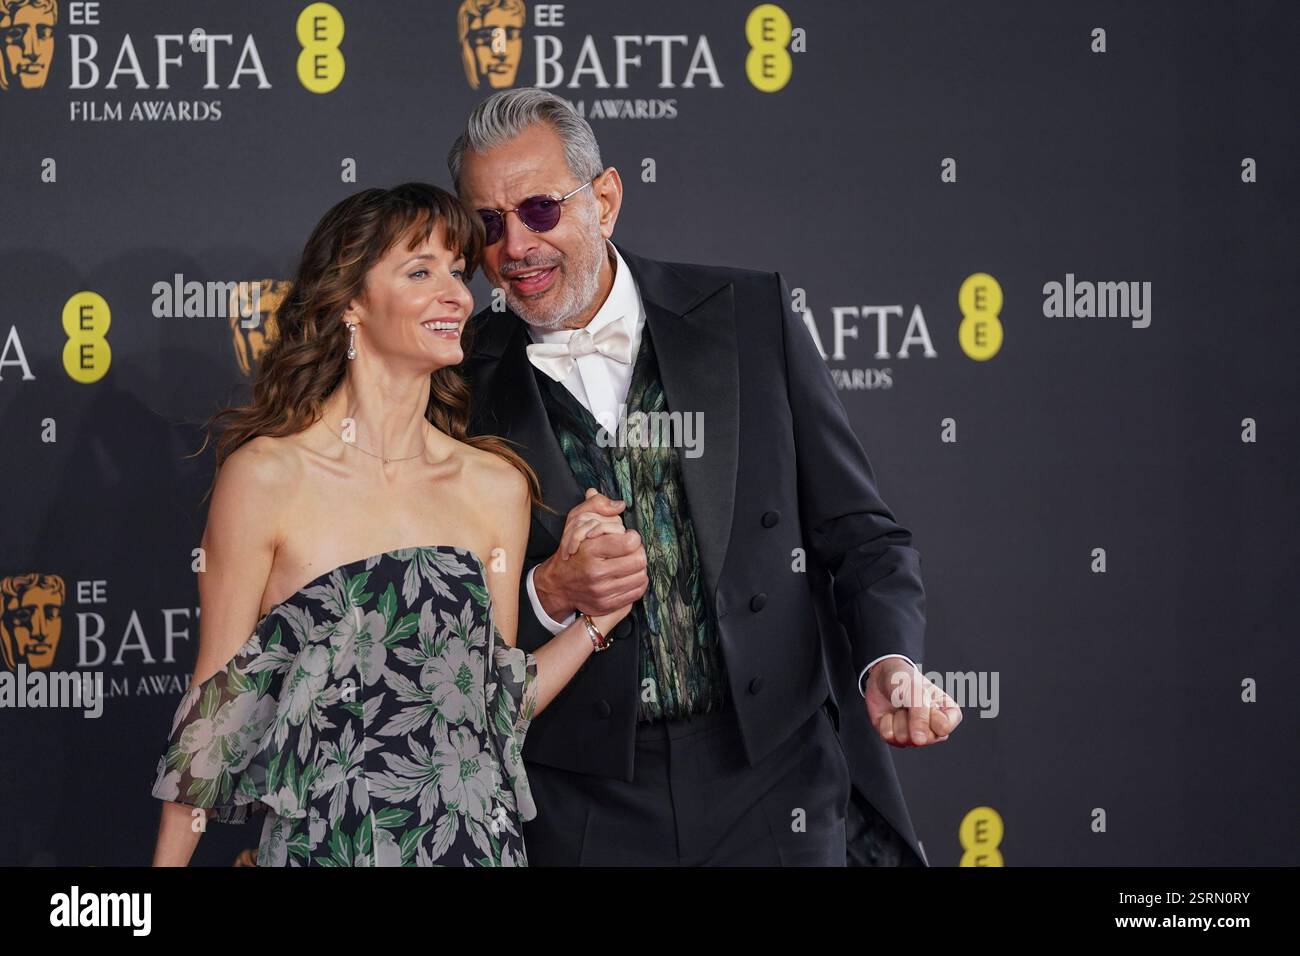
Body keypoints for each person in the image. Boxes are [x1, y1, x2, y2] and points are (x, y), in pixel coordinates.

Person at [450, 88, 963, 866]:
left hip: (772, 778)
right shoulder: (456, 382)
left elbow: (861, 536)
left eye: (541, 211)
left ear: (607, 200)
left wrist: (890, 662)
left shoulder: (747, 316)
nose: (514, 245)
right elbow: (438, 631)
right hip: (576, 803)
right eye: (488, 224)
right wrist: (547, 594)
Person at [148, 183, 641, 867]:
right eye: (420, 272)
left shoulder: (495, 486)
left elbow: (493, 705)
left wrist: (595, 620)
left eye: (457, 273)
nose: (458, 296)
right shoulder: (266, 479)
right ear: (350, 302)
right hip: (326, 847)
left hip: (473, 847)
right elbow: (216, 718)